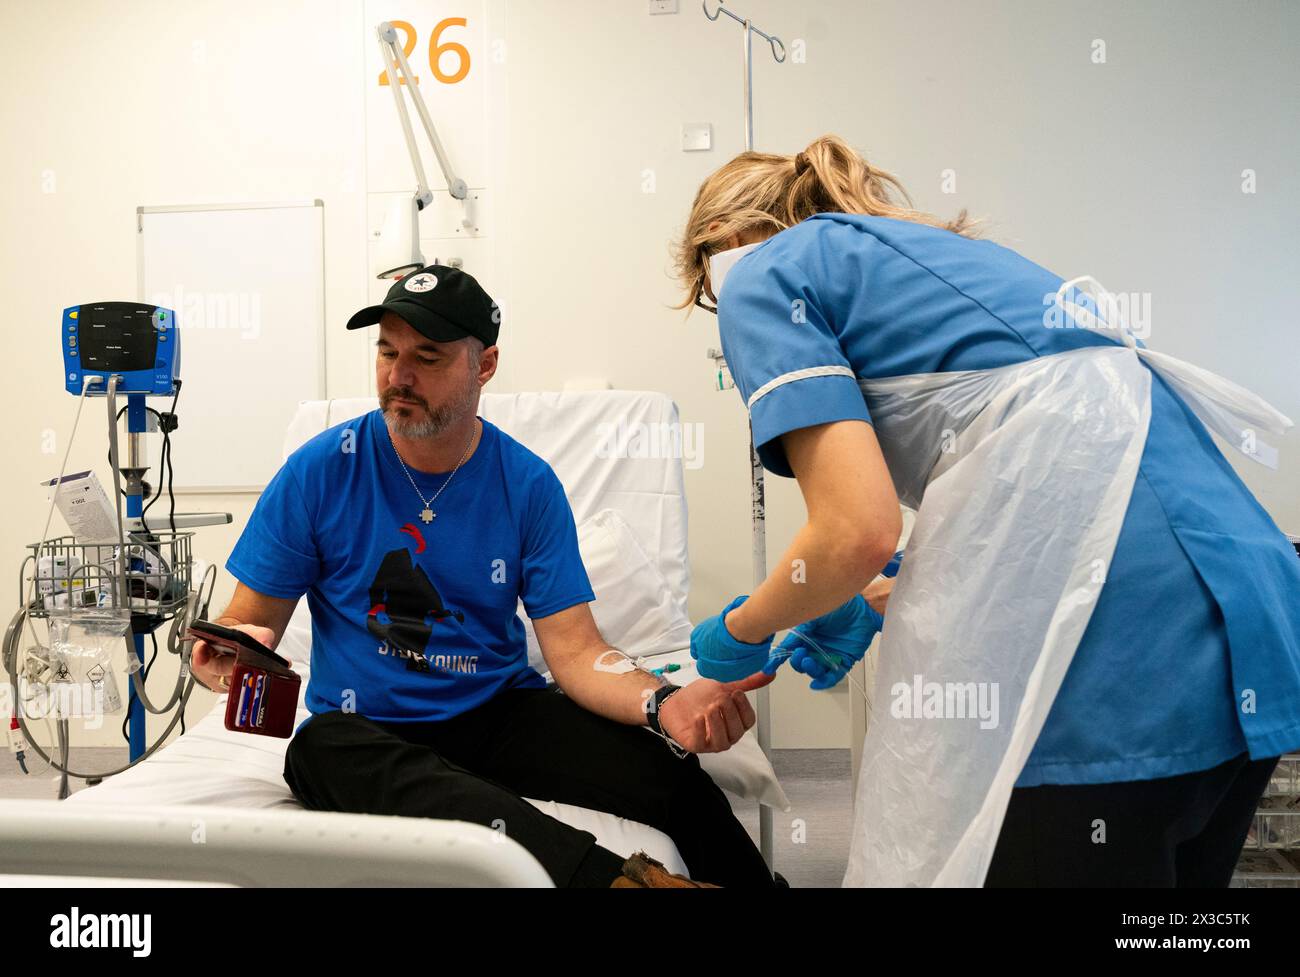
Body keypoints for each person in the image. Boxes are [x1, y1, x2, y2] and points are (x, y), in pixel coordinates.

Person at [675, 134, 1300, 886]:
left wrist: (741, 630)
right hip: (1238, 621)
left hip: (1108, 659)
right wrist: (865, 596)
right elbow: (1028, 483)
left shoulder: (763, 273)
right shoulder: (916, 254)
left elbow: (854, 528)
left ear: (719, 241)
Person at [191, 265, 775, 888]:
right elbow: (248, 620)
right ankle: (622, 883)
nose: (398, 376)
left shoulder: (525, 484)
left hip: (498, 713)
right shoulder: (319, 471)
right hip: (364, 727)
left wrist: (663, 704)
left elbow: (576, 653)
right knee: (317, 752)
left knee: (671, 774)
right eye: (387, 351)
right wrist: (225, 652)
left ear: (485, 364)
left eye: (428, 356)